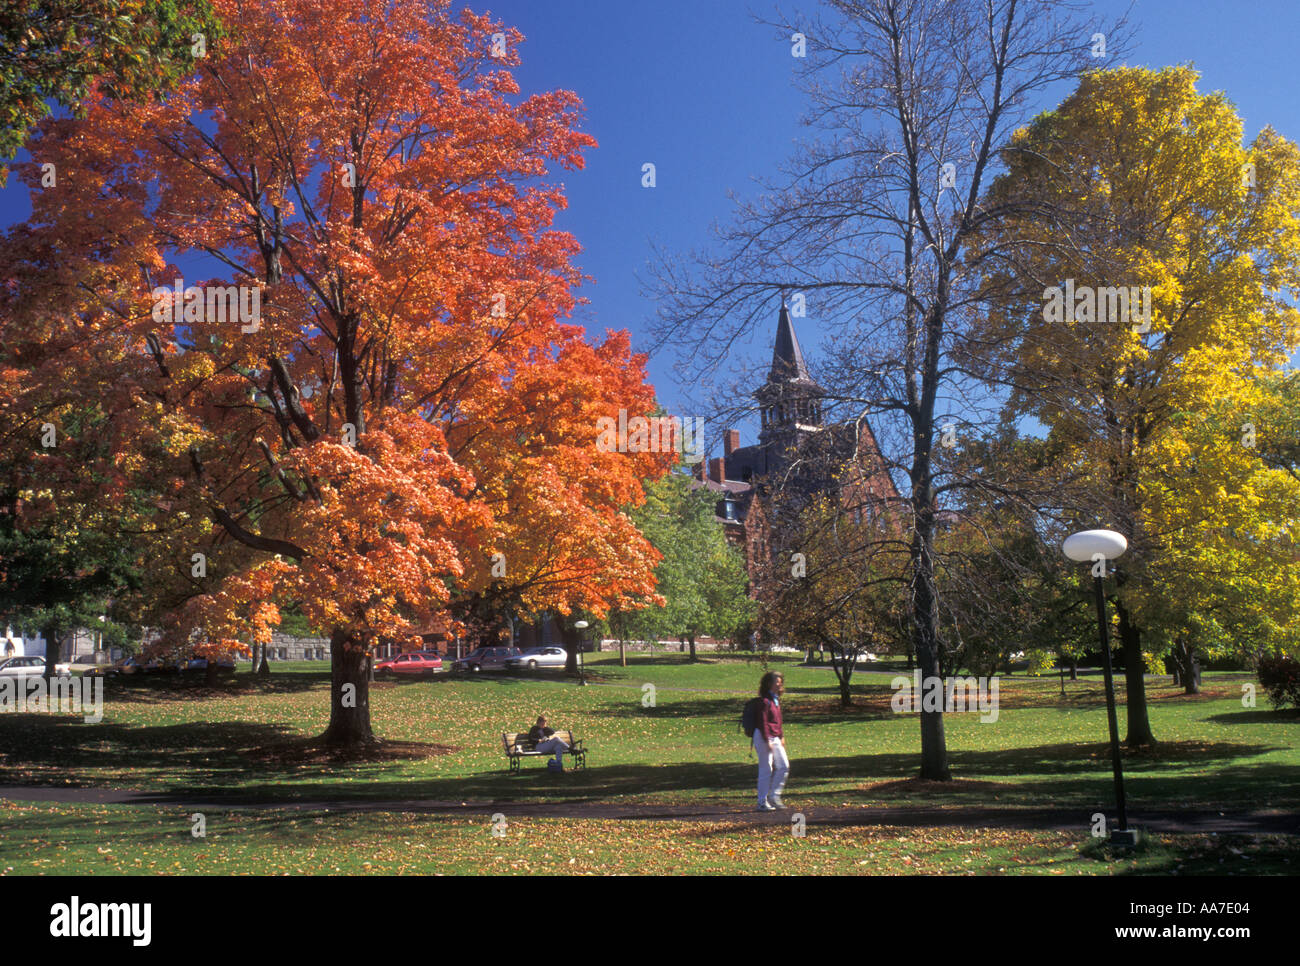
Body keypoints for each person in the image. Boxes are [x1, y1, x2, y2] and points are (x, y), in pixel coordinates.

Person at [754, 671, 789, 811]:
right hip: (763, 735)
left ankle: (774, 796)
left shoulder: (775, 700)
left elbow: (777, 721)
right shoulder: (765, 701)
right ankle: (762, 802)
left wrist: (781, 736)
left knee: (784, 766)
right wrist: (766, 738)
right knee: (766, 768)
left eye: (780, 681)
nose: (779, 684)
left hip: (774, 736)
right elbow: (763, 721)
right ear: (769, 684)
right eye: (777, 681)